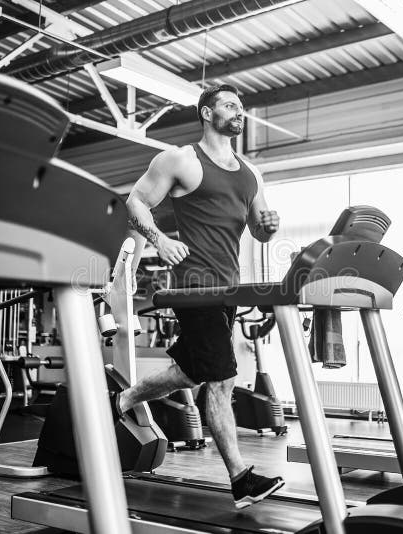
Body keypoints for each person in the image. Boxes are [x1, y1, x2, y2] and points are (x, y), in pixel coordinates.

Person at [120, 84, 283, 508]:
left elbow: (259, 231)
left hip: (228, 287)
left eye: (242, 105)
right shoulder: (181, 160)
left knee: (190, 372)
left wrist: (269, 225)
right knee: (223, 379)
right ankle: (240, 479)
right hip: (195, 285)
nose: (239, 111)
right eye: (230, 104)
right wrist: (158, 240)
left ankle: (121, 400)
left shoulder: (250, 173)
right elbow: (135, 202)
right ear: (207, 113)